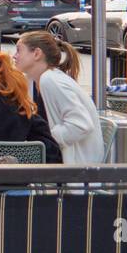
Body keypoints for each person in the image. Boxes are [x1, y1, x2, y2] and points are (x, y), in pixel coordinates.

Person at [14, 31, 104, 164]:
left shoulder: (50, 80)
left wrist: (45, 139)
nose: (14, 56)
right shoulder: (35, 80)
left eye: (18, 51)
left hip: (78, 169)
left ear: (37, 54)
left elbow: (81, 125)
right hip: (67, 163)